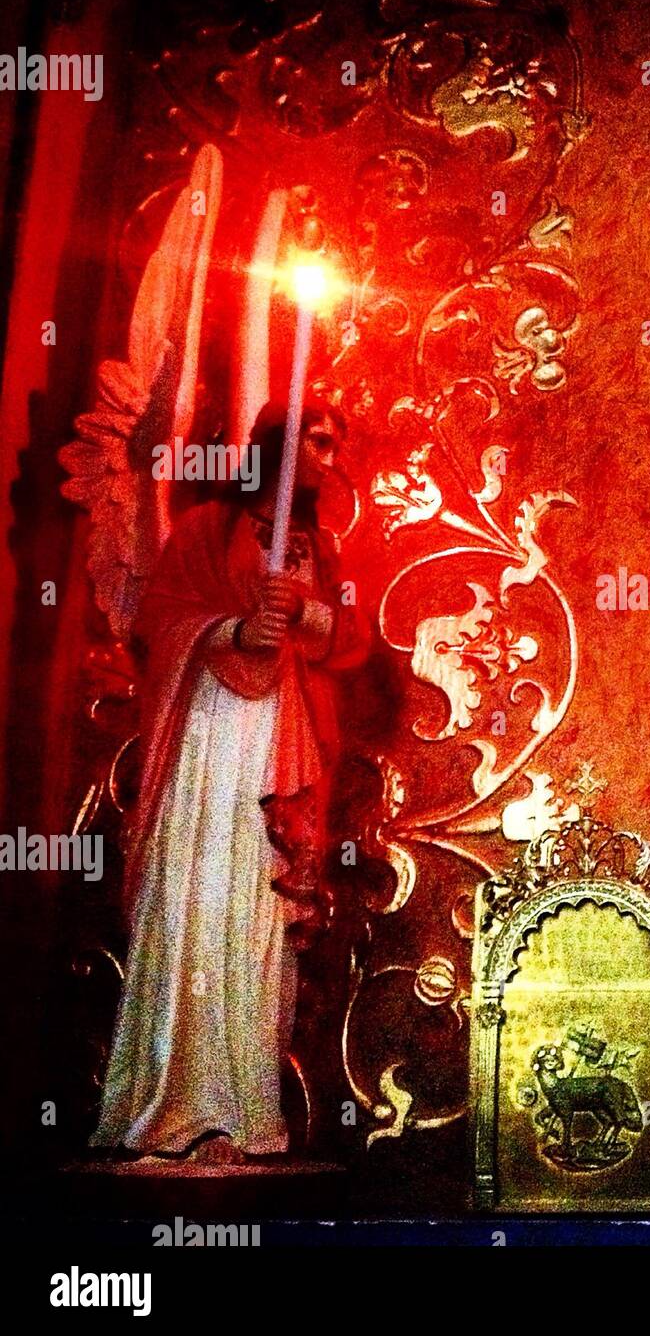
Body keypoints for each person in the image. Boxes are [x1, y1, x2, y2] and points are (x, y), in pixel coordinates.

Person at [90, 401, 367, 1162]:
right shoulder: (209, 526)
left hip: (284, 742)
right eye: (318, 439)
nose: (328, 454)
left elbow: (351, 640)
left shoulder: (322, 546)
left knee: (257, 899)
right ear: (279, 444)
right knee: (199, 888)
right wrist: (233, 631)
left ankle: (245, 1104)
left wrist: (306, 615)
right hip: (210, 739)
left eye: (336, 444)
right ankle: (174, 1101)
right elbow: (161, 617)